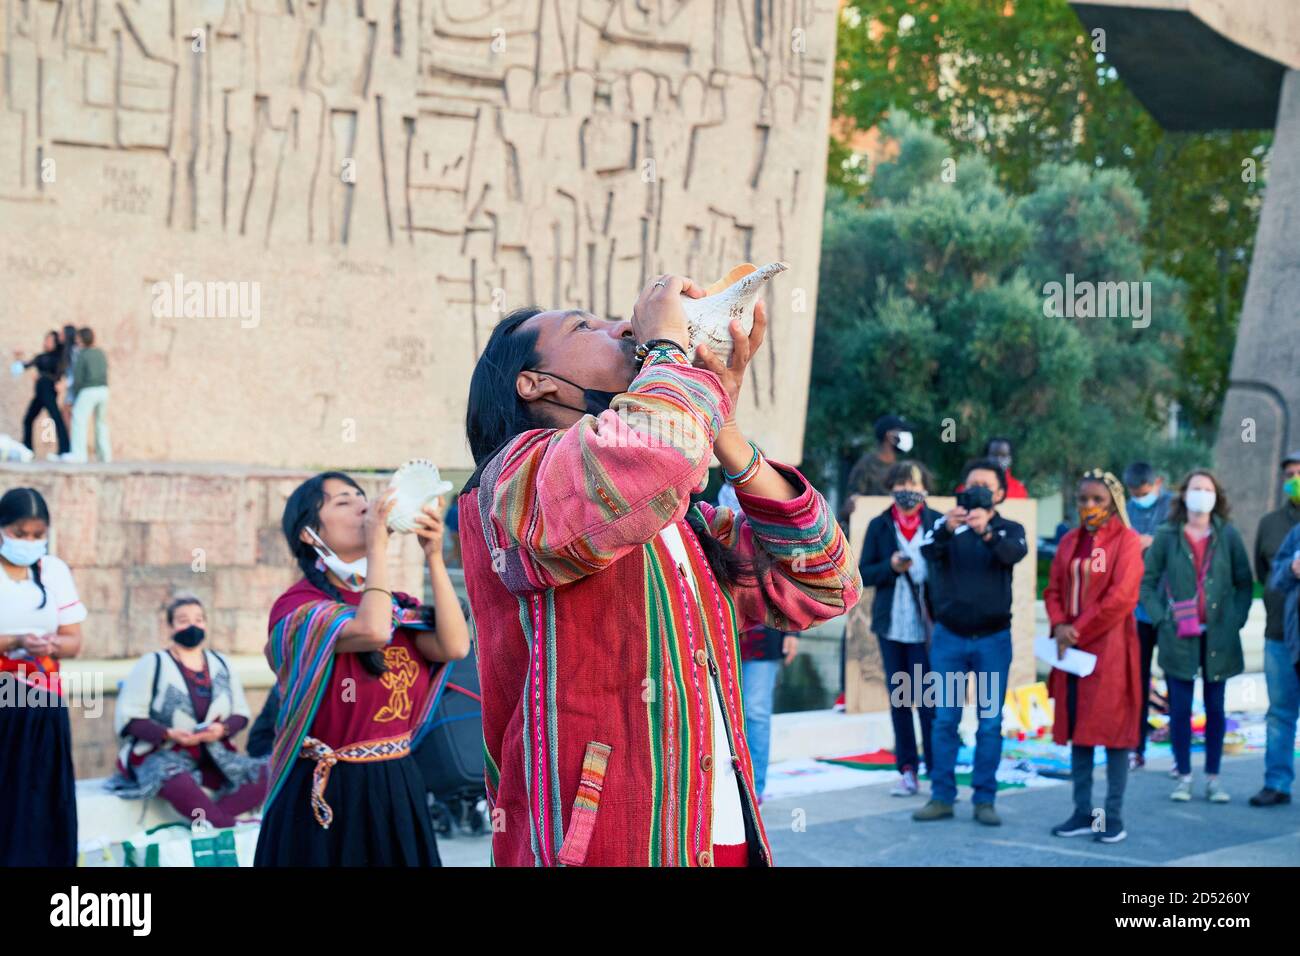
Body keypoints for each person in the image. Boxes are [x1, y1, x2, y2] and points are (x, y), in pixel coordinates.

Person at [459, 275, 861, 867]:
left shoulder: (681, 520)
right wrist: (670, 350)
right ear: (533, 382)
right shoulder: (513, 485)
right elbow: (645, 458)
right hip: (601, 843)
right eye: (584, 326)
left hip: (717, 837)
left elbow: (826, 581)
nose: (621, 326)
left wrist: (726, 433)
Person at [254, 472, 471, 866]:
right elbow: (372, 631)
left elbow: (455, 645)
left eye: (360, 496)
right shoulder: (299, 609)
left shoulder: (396, 604)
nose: (362, 505)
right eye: (342, 502)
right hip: (328, 790)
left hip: (396, 782)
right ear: (309, 534)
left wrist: (434, 555)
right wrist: (378, 549)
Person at [914, 458, 1028, 826]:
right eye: (972, 484)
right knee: (945, 719)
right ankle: (942, 796)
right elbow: (927, 552)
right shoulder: (944, 526)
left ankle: (984, 799)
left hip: (993, 640)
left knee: (990, 721)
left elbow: (1014, 554)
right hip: (949, 638)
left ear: (999, 493)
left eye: (985, 485)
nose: (977, 490)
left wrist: (987, 532)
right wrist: (949, 528)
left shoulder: (1010, 528)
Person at [1139, 470, 1253, 803]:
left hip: (1218, 636)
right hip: (1179, 635)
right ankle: (1184, 775)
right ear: (1184, 495)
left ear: (1216, 496)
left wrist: (1235, 620)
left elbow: (1244, 583)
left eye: (1207, 489)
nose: (1201, 494)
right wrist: (1162, 619)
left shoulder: (1228, 536)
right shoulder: (1167, 535)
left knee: (1216, 708)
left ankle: (1214, 778)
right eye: (1195, 488)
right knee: (1180, 709)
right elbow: (1148, 583)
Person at [107, 595, 267, 827]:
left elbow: (241, 714)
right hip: (163, 754)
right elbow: (130, 717)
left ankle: (212, 821)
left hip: (215, 755)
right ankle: (226, 826)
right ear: (170, 627)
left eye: (199, 619)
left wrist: (221, 729)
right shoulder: (153, 663)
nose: (192, 625)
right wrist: (169, 734)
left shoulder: (221, 663)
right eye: (183, 620)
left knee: (267, 773)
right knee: (175, 779)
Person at [1045, 470, 1143, 844]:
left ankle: (1112, 816)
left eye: (1097, 500)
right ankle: (1082, 812)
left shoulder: (1127, 541)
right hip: (1071, 651)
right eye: (1083, 499)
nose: (1089, 506)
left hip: (1111, 648)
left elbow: (1121, 598)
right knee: (1079, 731)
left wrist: (1076, 629)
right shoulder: (1070, 541)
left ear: (1113, 502)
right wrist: (1058, 625)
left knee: (1114, 734)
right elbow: (1053, 588)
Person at [0, 487, 86, 866]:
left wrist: (50, 644)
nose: (30, 542)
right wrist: (16, 640)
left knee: (40, 795)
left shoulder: (53, 571)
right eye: (20, 534)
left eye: (38, 535)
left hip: (42, 701)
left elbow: (74, 640)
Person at [857, 460, 942, 796]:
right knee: (900, 700)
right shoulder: (880, 525)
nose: (907, 492)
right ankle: (907, 769)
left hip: (928, 626)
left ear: (925, 489)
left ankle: (937, 770)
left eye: (914, 485)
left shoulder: (937, 523)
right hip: (891, 625)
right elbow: (864, 572)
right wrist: (890, 567)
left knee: (928, 700)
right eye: (901, 485)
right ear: (891, 488)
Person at [1254, 453, 1300, 807]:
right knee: (1280, 713)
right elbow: (1267, 576)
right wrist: (1293, 570)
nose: (1295, 480)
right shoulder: (1272, 524)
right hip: (1280, 635)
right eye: (1290, 475)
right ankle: (1277, 783)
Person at [1123, 460, 1173, 769]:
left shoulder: (1175, 508)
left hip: (1171, 609)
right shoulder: (1124, 508)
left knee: (1177, 679)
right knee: (1137, 680)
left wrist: (1154, 542)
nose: (1140, 498)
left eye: (1145, 492)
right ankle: (1135, 746)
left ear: (1158, 483)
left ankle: (1178, 747)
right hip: (1137, 608)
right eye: (1135, 494)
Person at [738, 622, 798, 801]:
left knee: (755, 712)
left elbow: (791, 591)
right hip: (714, 629)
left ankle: (754, 792)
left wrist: (793, 629)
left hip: (763, 632)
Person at [839, 413, 918, 523]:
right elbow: (851, 505)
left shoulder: (900, 468)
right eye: (901, 431)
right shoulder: (866, 466)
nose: (907, 435)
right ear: (889, 436)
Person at [16, 330, 71, 458]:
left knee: (56, 419)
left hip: (48, 391)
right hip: (40, 392)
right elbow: (25, 366)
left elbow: (59, 374)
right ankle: (27, 450)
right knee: (28, 419)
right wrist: (18, 357)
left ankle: (65, 449)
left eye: (49, 340)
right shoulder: (41, 357)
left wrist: (43, 376)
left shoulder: (60, 357)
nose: (46, 342)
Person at [69, 327, 111, 463]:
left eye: (78, 338)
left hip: (88, 390)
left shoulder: (83, 354)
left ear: (82, 338)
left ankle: (79, 455)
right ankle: (105, 456)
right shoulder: (100, 353)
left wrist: (75, 395)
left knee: (79, 420)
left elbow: (78, 377)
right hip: (104, 390)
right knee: (101, 423)